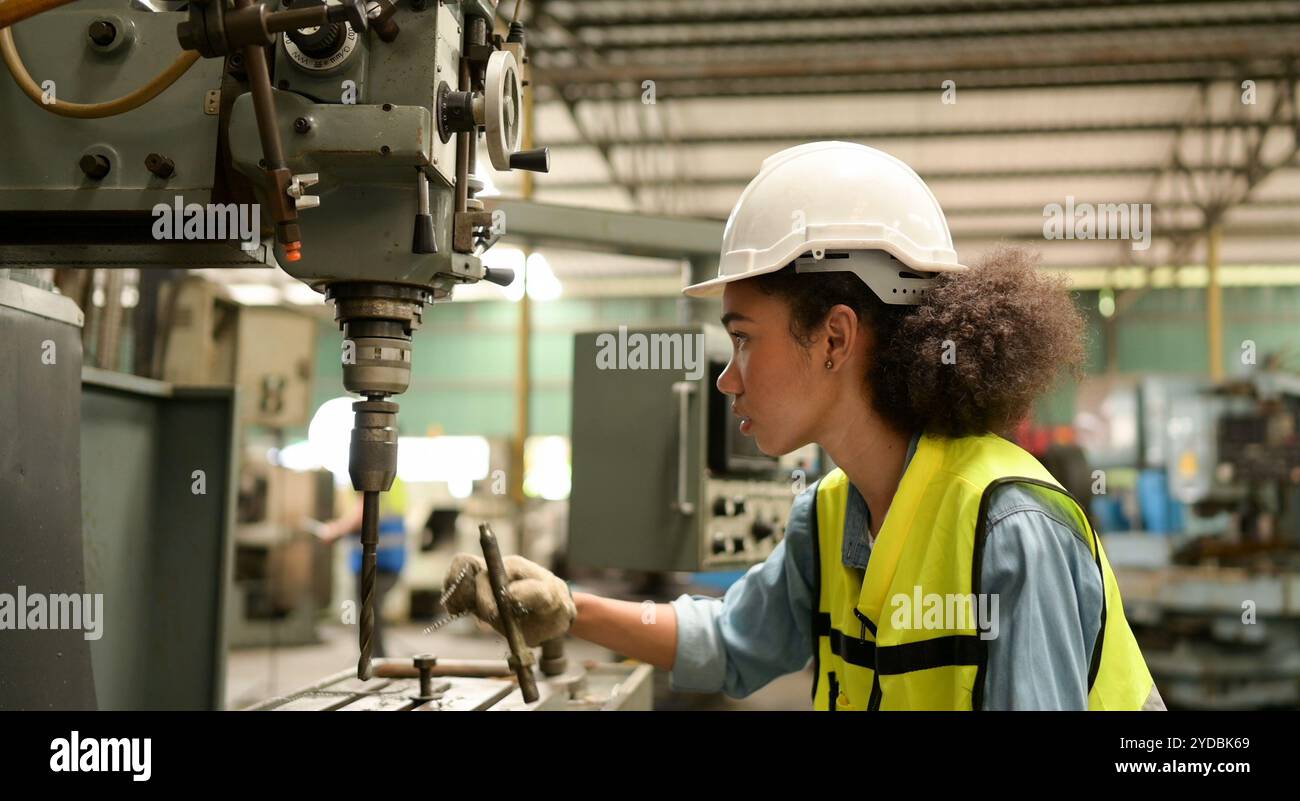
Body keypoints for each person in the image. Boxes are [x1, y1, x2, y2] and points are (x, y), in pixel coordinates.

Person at [442, 141, 1164, 710]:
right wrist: (569, 608)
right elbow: (731, 641)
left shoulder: (1008, 530)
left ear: (835, 338)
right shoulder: (830, 515)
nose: (727, 377)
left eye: (744, 339)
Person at [315, 476, 409, 659]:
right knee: (371, 611)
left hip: (375, 564)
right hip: (391, 562)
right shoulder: (392, 477)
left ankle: (375, 661)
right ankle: (376, 659)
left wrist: (334, 531)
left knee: (369, 612)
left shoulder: (367, 473)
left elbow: (361, 515)